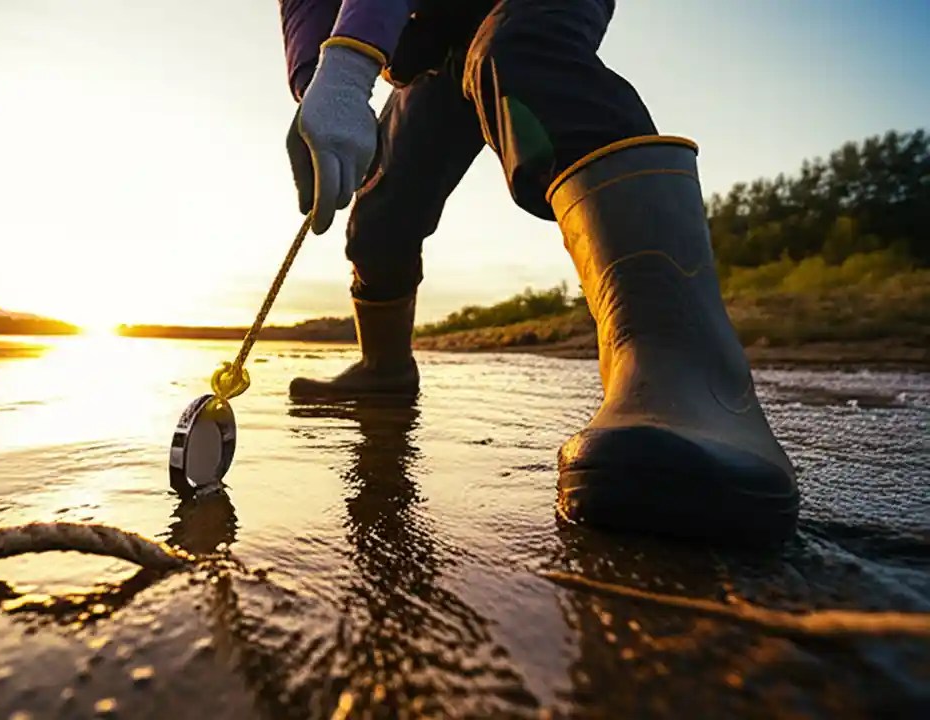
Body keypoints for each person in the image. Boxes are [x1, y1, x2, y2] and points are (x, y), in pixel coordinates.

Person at [276, 0, 799, 544]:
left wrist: (351, 65)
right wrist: (322, 83)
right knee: (381, 207)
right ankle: (383, 368)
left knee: (516, 59)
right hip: (437, 36)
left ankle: (689, 382)